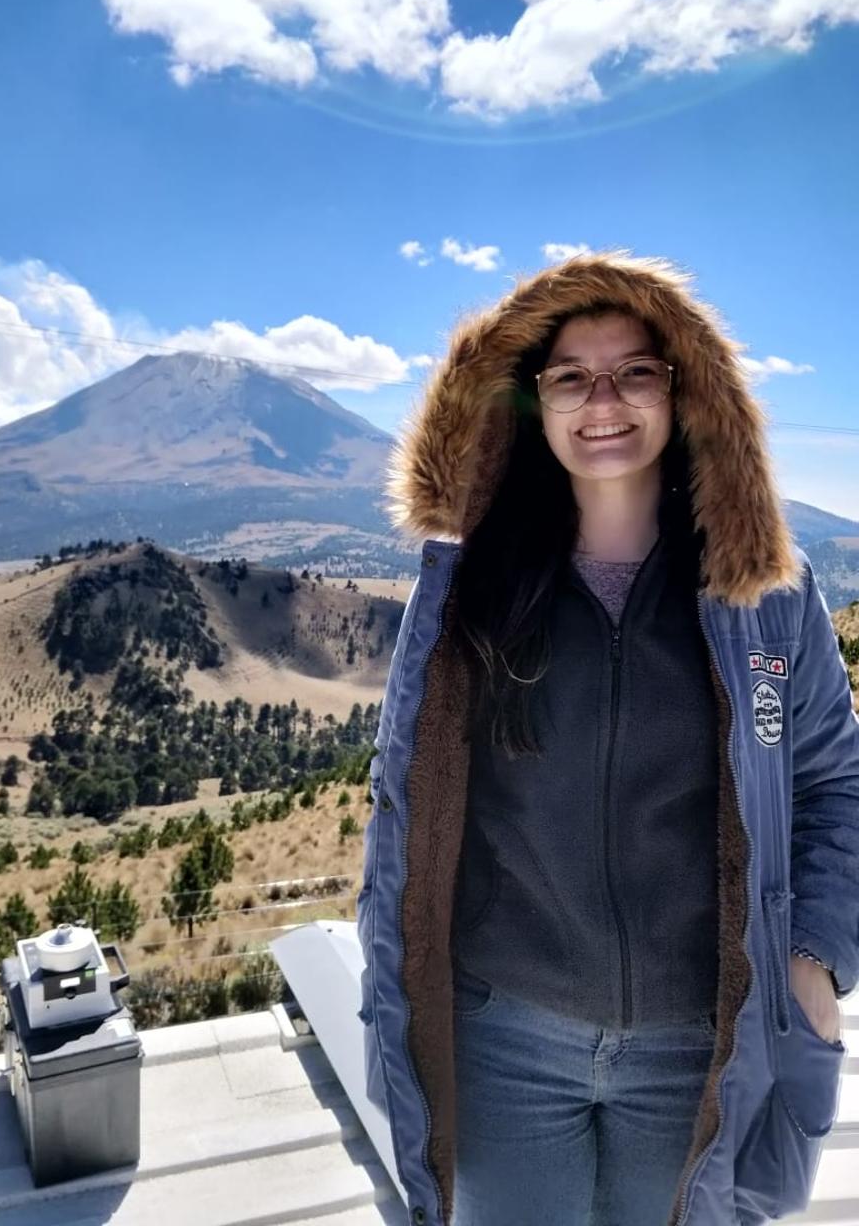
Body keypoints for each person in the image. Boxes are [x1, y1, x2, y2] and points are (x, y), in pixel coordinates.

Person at [355, 250, 858, 1226]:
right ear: (528, 405)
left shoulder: (762, 590)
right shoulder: (469, 586)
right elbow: (408, 794)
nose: (604, 401)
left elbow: (834, 777)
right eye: (570, 378)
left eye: (635, 371)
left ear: (683, 391)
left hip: (701, 1045)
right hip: (505, 1039)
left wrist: (818, 960)